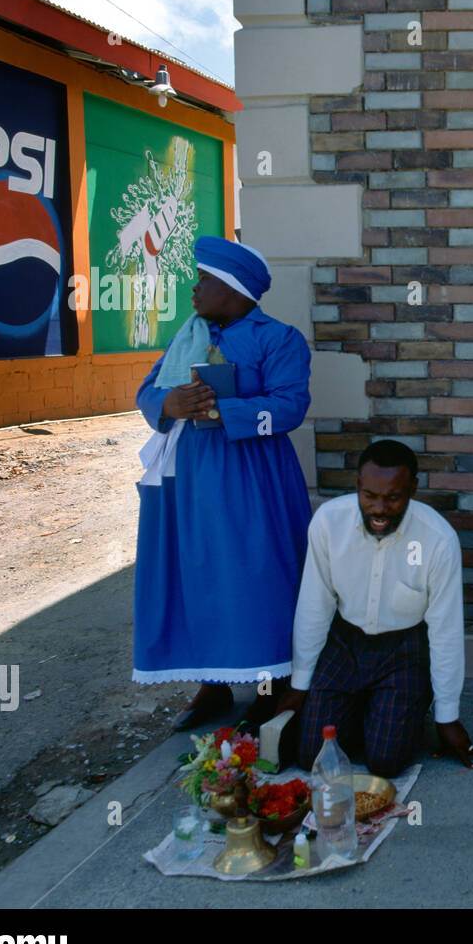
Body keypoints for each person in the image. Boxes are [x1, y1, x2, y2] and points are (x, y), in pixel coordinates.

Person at [132, 236, 312, 731]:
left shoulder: (278, 339)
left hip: (251, 477)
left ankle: (266, 687)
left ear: (232, 290)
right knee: (196, 575)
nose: (194, 289)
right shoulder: (187, 334)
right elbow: (149, 390)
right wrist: (169, 405)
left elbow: (290, 407)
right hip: (188, 478)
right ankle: (211, 687)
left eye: (204, 280)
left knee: (252, 575)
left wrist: (220, 409)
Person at [275, 440, 473, 777]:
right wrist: (300, 686)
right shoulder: (329, 523)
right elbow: (314, 605)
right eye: (369, 496)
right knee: (313, 758)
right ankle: (366, 708)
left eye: (392, 498)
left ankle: (391, 709)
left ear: (412, 489)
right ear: (357, 486)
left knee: (386, 762)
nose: (379, 509)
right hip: (345, 642)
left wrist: (447, 717)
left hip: (404, 649)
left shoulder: (438, 540)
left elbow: (445, 630)